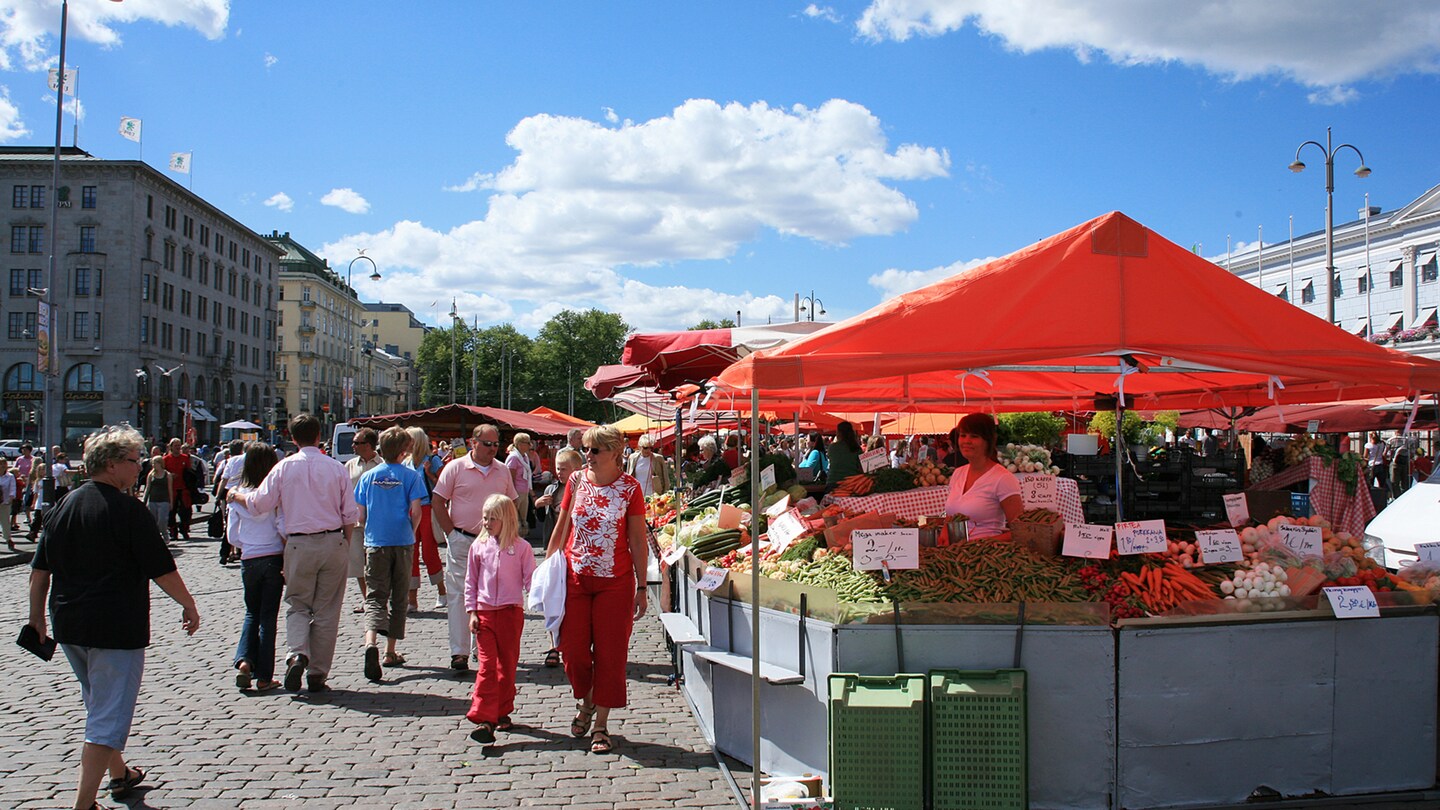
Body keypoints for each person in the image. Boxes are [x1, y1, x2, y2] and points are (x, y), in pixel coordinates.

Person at [27, 424, 200, 810]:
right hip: (115, 625)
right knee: (108, 715)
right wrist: (188, 604)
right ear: (111, 464)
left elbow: (40, 571)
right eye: (133, 461)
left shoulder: (63, 506)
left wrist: (36, 619)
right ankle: (84, 804)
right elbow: (162, 569)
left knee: (100, 702)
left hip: (70, 622)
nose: (138, 467)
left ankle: (119, 774)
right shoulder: (127, 510)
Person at [230, 413, 358, 693]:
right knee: (327, 610)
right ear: (317, 435)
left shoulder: (284, 468)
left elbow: (259, 504)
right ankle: (317, 673)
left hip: (298, 544)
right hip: (332, 540)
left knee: (298, 604)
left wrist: (235, 495)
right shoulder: (336, 468)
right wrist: (344, 543)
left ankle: (297, 654)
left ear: (292, 438)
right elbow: (350, 513)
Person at [546, 425, 648, 755]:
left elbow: (636, 540)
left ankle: (601, 724)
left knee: (610, 654)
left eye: (594, 450)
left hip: (615, 584)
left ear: (615, 454)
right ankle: (586, 700)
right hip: (575, 579)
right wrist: (546, 572)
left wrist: (642, 585)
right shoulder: (575, 482)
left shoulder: (631, 489)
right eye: (586, 450)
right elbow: (563, 527)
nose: (587, 456)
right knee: (573, 652)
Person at [433, 424, 520, 673]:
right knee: (459, 595)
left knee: (489, 595)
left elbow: (511, 502)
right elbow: (439, 500)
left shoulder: (502, 470)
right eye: (488, 444)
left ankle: (480, 649)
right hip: (462, 538)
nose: (493, 449)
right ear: (474, 442)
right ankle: (458, 652)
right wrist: (450, 533)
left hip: (493, 542)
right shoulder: (455, 468)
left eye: (496, 445)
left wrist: (508, 533)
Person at [464, 493, 537, 744]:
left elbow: (531, 581)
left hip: (510, 613)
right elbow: (471, 582)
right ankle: (485, 718)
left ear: (506, 520)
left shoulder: (522, 549)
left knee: (506, 666)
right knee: (486, 667)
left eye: (493, 518)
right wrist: (471, 611)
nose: (487, 523)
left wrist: (545, 594)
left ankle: (502, 710)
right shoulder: (478, 547)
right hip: (484, 614)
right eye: (485, 518)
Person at [354, 426, 425, 683]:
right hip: (403, 542)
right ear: (405, 449)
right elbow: (416, 511)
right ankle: (390, 651)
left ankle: (370, 642)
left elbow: (360, 516)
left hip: (376, 542)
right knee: (398, 597)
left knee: (375, 596)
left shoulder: (368, 476)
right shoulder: (411, 476)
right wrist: (411, 531)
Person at [228, 442, 286, 693]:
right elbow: (282, 526)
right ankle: (264, 676)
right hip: (273, 556)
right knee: (268, 617)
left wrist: (247, 544)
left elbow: (232, 536)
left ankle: (244, 662)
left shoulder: (237, 494)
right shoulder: (275, 495)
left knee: (251, 613)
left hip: (249, 558)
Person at [534, 446, 583, 668]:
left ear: (577, 469)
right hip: (555, 549)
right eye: (558, 469)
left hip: (575, 551)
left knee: (569, 601)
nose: (560, 473)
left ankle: (569, 644)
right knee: (553, 597)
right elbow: (542, 518)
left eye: (564, 469)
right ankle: (553, 646)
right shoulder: (553, 488)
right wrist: (539, 505)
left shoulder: (585, 490)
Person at [944, 413, 1023, 539]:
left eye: (974, 436)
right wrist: (944, 533)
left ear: (988, 441)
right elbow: (951, 518)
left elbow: (1020, 530)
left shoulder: (1003, 479)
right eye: (963, 435)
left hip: (987, 553)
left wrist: (981, 545)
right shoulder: (958, 473)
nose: (966, 441)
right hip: (956, 553)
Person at [404, 427, 446, 611]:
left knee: (429, 551)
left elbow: (444, 486)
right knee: (411, 553)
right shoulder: (405, 462)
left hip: (427, 508)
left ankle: (441, 590)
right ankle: (412, 599)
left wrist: (429, 474)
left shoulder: (432, 460)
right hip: (409, 510)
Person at [344, 428, 381, 612]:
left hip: (378, 521)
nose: (353, 446)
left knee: (376, 562)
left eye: (356, 442)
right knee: (358, 562)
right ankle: (367, 599)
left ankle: (379, 598)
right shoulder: (350, 465)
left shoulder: (381, 463)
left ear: (367, 445)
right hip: (356, 521)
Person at [162, 439, 194, 541]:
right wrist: (169, 475)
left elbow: (189, 473)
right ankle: (173, 531)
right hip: (171, 490)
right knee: (171, 512)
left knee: (186, 511)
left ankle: (184, 529)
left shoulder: (185, 458)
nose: (177, 447)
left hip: (183, 489)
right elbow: (162, 473)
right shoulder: (166, 459)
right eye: (175, 445)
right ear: (171, 447)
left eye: (179, 445)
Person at [142, 445, 175, 543]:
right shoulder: (151, 474)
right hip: (153, 500)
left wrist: (171, 502)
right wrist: (144, 500)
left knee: (162, 520)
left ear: (160, 463)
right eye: (152, 464)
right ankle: (156, 538)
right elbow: (147, 488)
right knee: (153, 520)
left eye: (155, 463)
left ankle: (165, 535)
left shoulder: (167, 475)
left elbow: (170, 489)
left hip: (164, 500)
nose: (153, 465)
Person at [505, 432, 536, 534]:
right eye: (527, 443)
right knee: (514, 520)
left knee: (523, 520)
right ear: (519, 444)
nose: (529, 445)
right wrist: (513, 495)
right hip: (516, 493)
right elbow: (510, 478)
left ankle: (521, 542)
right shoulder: (513, 457)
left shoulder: (525, 457)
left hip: (524, 492)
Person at [625, 434, 671, 498]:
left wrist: (666, 493)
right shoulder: (632, 458)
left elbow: (665, 477)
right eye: (645, 448)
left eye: (651, 448)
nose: (648, 450)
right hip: (637, 495)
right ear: (640, 446)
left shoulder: (658, 458)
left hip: (655, 495)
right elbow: (628, 476)